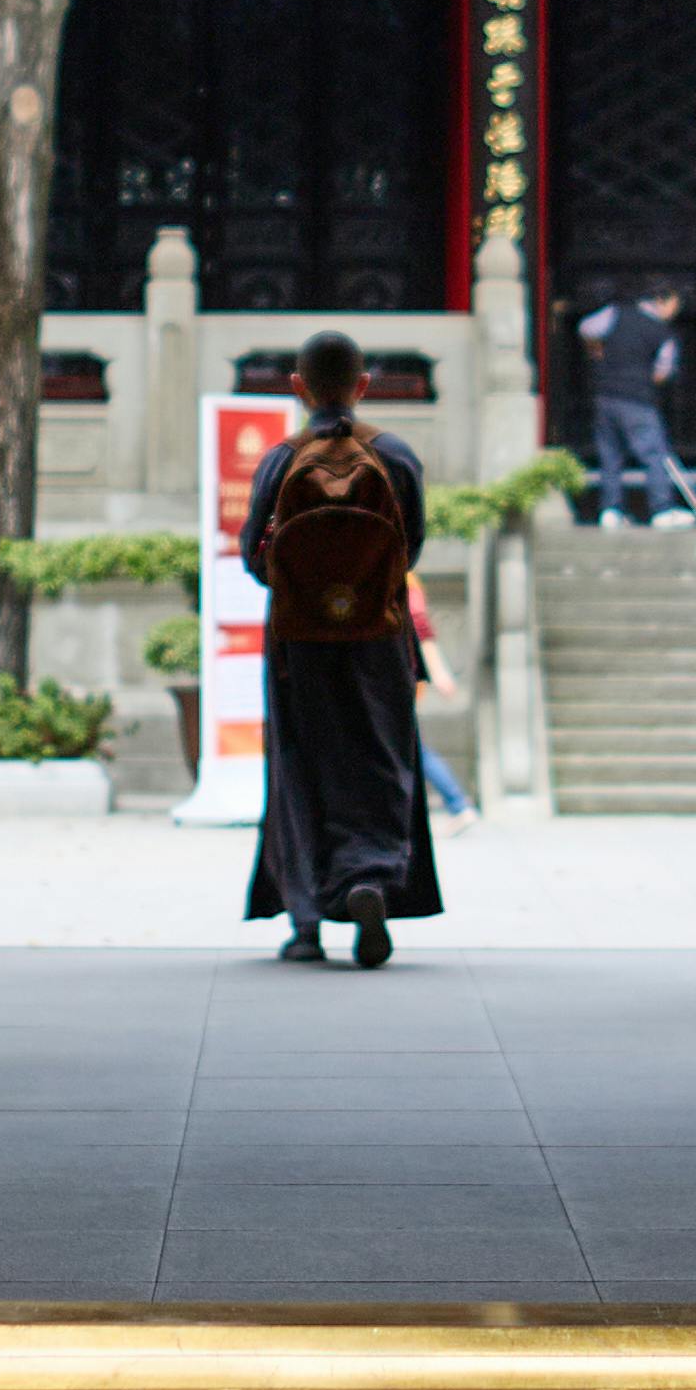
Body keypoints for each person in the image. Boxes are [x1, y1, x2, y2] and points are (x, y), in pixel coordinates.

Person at [241, 330, 445, 966]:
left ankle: (305, 922)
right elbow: (409, 547)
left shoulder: (282, 460)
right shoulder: (395, 456)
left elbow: (253, 555)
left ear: (297, 387)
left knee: (299, 765)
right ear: (363, 385)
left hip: (298, 642)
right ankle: (369, 880)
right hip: (379, 637)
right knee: (379, 760)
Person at [575, 284, 696, 529]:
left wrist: (596, 349)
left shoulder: (616, 313)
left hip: (606, 395)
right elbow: (663, 372)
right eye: (674, 305)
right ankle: (661, 509)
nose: (674, 311)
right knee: (653, 454)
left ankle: (611, 510)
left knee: (610, 455)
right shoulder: (662, 333)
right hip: (638, 399)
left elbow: (586, 328)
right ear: (663, 300)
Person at [409, 571, 474, 823]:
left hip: (400, 678)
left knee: (413, 747)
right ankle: (457, 805)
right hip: (398, 677)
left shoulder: (403, 578)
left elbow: (420, 625)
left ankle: (457, 804)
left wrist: (438, 671)